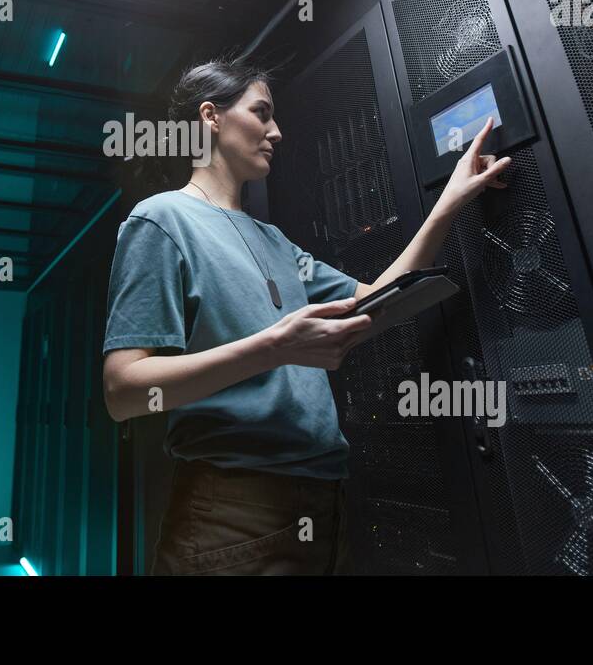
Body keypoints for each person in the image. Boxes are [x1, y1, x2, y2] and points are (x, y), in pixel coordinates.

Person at [101, 55, 510, 575]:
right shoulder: (161, 219)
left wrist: (449, 201)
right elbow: (123, 391)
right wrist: (275, 346)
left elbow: (372, 302)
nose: (276, 131)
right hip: (233, 508)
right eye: (262, 112)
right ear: (211, 117)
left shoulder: (272, 240)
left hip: (324, 500)